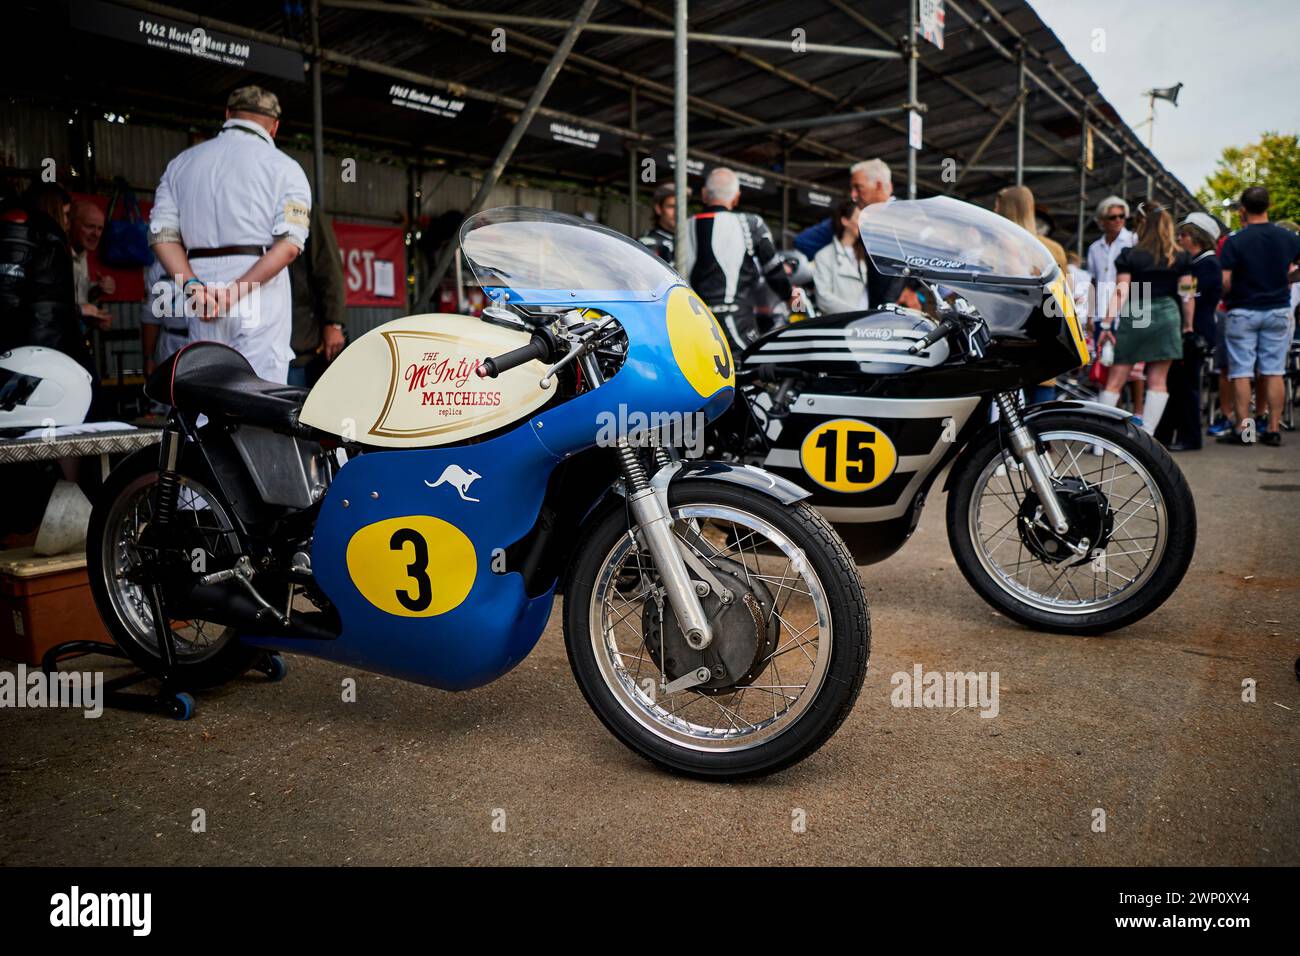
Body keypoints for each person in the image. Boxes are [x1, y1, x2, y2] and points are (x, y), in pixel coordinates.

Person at [148, 85, 311, 384]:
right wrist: (232, 295)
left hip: (201, 293)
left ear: (228, 115)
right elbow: (289, 245)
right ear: (274, 126)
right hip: (259, 294)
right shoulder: (286, 169)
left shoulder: (181, 164)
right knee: (259, 400)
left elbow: (162, 235)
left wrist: (193, 288)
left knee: (207, 395)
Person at [1097, 201, 1192, 436]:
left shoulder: (1129, 255)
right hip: (1168, 315)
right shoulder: (1181, 257)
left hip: (1136, 312)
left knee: (1116, 379)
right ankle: (1146, 437)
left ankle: (1100, 438)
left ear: (1141, 224)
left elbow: (1121, 290)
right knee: (1158, 380)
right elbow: (1188, 295)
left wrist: (1107, 323)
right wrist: (1189, 325)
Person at [1216, 185, 1300, 446]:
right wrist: (1286, 279)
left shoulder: (1235, 241)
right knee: (1274, 371)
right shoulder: (1287, 238)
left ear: (1242, 209)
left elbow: (1226, 281)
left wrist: (1229, 292)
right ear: (1269, 206)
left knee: (1241, 371)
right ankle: (1273, 429)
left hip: (1242, 310)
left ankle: (1245, 431)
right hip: (1277, 308)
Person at [683, 167, 791, 350]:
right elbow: (773, 270)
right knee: (756, 371)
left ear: (703, 194)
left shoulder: (683, 227)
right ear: (736, 197)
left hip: (691, 323)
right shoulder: (750, 224)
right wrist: (789, 297)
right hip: (736, 324)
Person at [1156, 213, 1222, 450]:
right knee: (1178, 384)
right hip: (1190, 331)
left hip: (1195, 333)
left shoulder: (1207, 265)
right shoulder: (1200, 264)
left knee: (1186, 386)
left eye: (1183, 235)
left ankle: (1189, 437)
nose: (1180, 239)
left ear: (1196, 238)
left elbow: (1188, 295)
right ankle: (1168, 434)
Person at [288, 204, 347, 387]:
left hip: (302, 345)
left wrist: (333, 323)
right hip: (265, 339)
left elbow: (328, 269)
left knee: (301, 409)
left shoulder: (300, 203)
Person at [792, 158, 893, 258]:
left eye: (858, 187)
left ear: (878, 186)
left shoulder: (905, 217)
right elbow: (802, 242)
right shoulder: (850, 219)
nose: (853, 195)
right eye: (852, 189)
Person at [1086, 195, 1137, 330]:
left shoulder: (1134, 241)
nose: (1118, 220)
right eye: (1112, 217)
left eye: (1122, 216)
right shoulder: (1094, 248)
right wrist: (1090, 315)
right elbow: (1093, 283)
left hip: (1127, 316)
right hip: (1100, 316)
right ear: (1102, 221)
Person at [812, 200, 868, 315]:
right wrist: (856, 314)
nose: (862, 223)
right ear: (845, 221)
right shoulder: (824, 256)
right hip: (840, 327)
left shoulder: (865, 256)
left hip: (864, 328)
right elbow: (823, 299)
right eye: (859, 217)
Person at [67, 200, 114, 333]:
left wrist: (98, 289)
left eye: (100, 228)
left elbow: (79, 299)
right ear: (71, 224)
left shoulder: (82, 254)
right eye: (90, 226)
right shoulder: (57, 255)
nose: (96, 234)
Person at [637, 183, 675, 263]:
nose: (677, 212)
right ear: (658, 209)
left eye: (680, 206)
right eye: (671, 207)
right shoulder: (645, 242)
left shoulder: (688, 240)